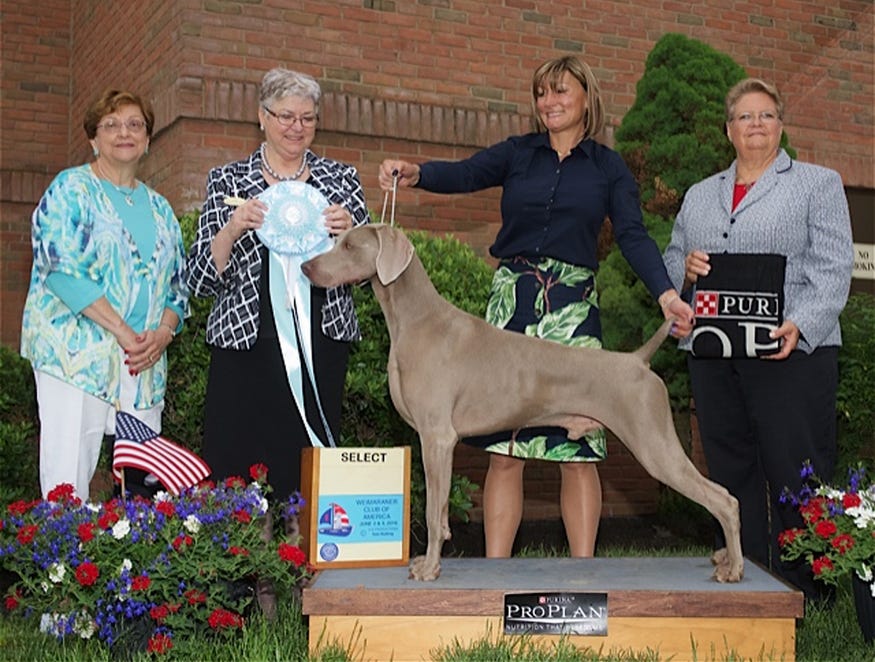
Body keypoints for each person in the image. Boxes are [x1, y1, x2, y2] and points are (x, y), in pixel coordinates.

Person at [379, 55, 693, 559]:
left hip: (572, 305)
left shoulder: (608, 168)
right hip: (514, 303)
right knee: (505, 452)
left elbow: (632, 236)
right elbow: (466, 174)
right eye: (541, 93)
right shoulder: (518, 153)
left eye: (560, 91)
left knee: (579, 453)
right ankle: (495, 572)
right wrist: (418, 172)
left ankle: (583, 574)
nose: (548, 102)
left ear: (586, 98)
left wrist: (667, 294)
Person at [663, 78, 854, 599]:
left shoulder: (818, 183)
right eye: (744, 117)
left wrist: (805, 322)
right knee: (729, 464)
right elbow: (671, 261)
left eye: (766, 115)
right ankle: (746, 579)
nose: (755, 125)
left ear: (781, 126)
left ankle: (810, 589)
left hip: (790, 350)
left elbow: (834, 267)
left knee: (796, 467)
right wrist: (686, 268)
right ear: (728, 130)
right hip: (715, 354)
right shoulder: (701, 194)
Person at [186, 68, 369, 505]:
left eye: (307, 118)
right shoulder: (226, 180)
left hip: (321, 345)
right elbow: (199, 278)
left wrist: (350, 237)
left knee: (307, 464)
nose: (296, 127)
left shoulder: (342, 179)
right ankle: (234, 566)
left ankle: (306, 560)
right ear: (262, 117)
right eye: (286, 116)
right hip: (242, 346)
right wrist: (231, 229)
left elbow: (367, 272)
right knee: (232, 464)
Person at [20, 89, 188, 502]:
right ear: (94, 139)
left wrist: (163, 334)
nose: (123, 133)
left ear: (148, 140)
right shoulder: (70, 189)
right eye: (111, 125)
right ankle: (60, 562)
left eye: (135, 125)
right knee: (68, 474)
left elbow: (178, 288)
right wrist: (123, 331)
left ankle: (139, 563)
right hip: (76, 356)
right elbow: (60, 268)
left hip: (143, 360)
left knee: (144, 483)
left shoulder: (161, 209)